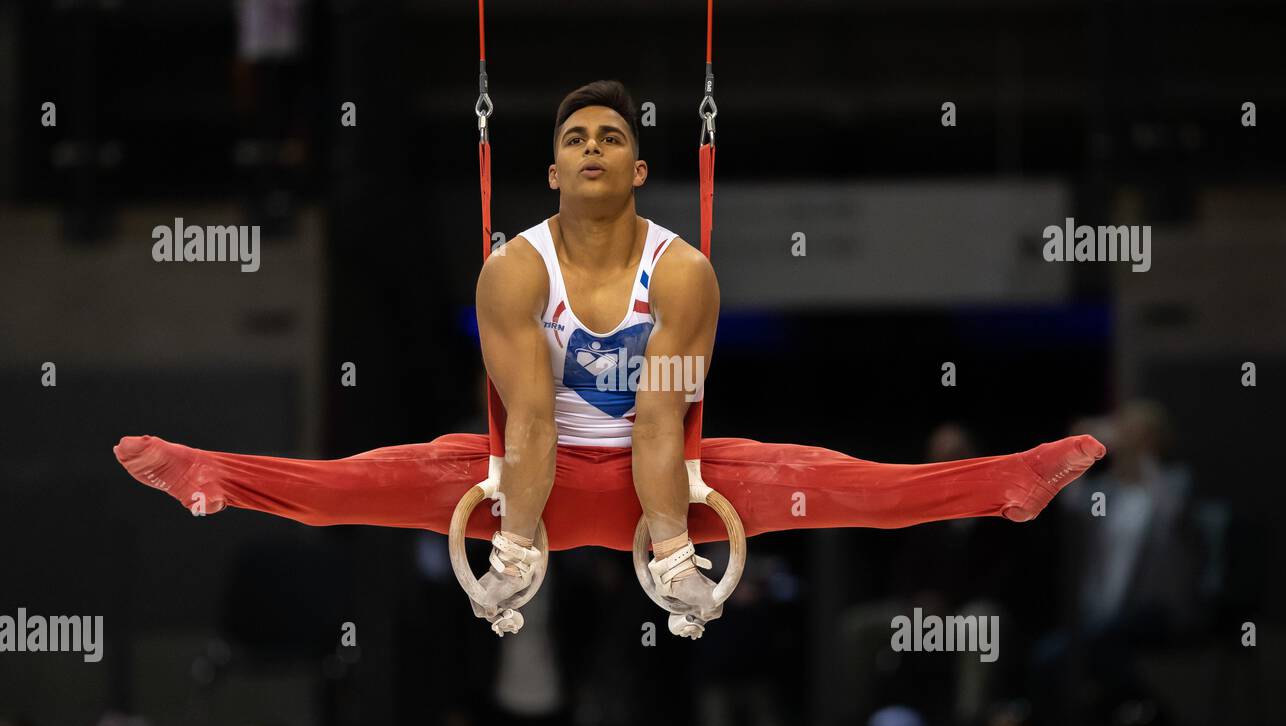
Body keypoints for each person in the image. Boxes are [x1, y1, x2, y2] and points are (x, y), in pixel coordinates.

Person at [113, 80, 1105, 635]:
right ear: (549, 169)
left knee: (852, 486)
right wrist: (510, 548)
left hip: (663, 478)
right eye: (575, 138)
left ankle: (1003, 486)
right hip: (519, 478)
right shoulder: (513, 270)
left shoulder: (684, 275)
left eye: (612, 138)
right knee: (347, 487)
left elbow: (666, 417)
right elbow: (531, 417)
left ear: (637, 168)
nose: (592, 148)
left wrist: (674, 549)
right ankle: (215, 480)